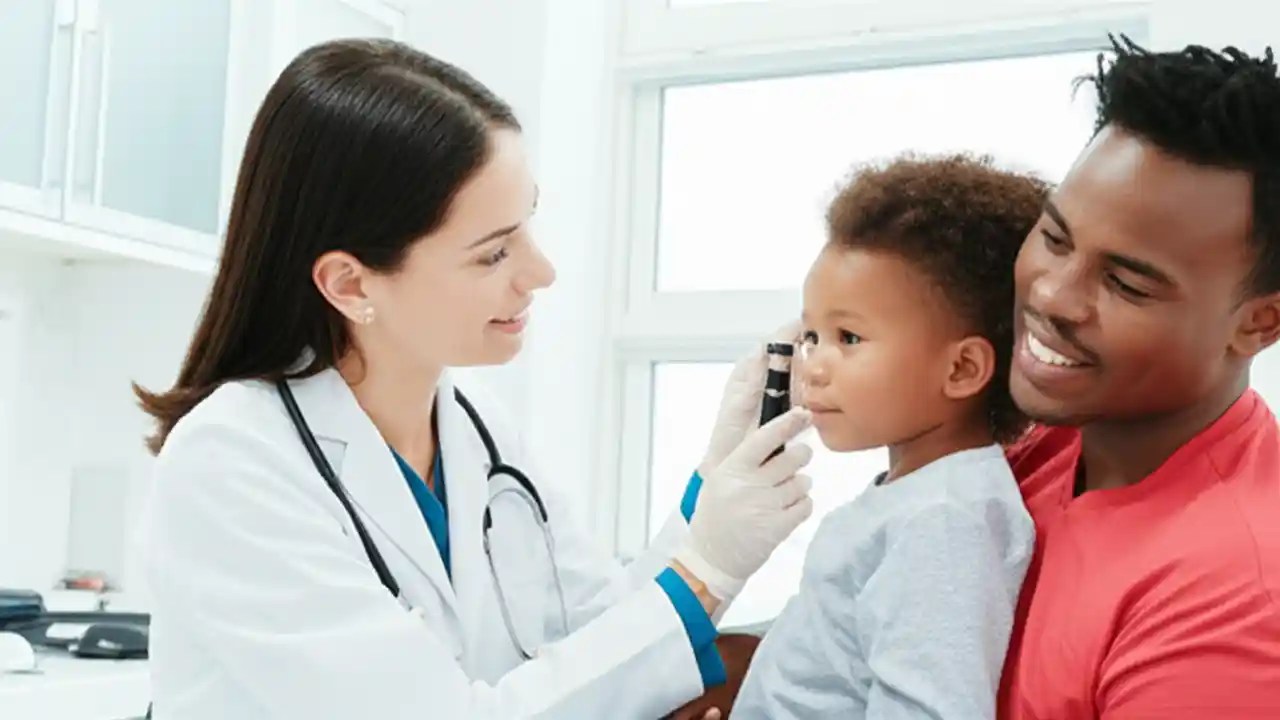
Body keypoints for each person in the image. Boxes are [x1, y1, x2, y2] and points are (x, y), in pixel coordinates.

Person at [133, 39, 816, 720]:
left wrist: (714, 490)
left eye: (525, 229)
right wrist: (704, 572)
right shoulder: (233, 462)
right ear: (350, 282)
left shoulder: (478, 431)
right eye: (493, 252)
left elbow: (597, 640)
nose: (540, 272)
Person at [998, 36, 1280, 718]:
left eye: (1125, 283)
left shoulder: (1236, 597)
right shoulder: (1040, 442)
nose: (1053, 296)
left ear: (1260, 324)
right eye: (1056, 238)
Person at [732, 154, 1049, 718]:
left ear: (961, 370)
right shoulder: (915, 497)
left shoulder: (945, 522)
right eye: (811, 335)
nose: (815, 366)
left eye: (848, 337)